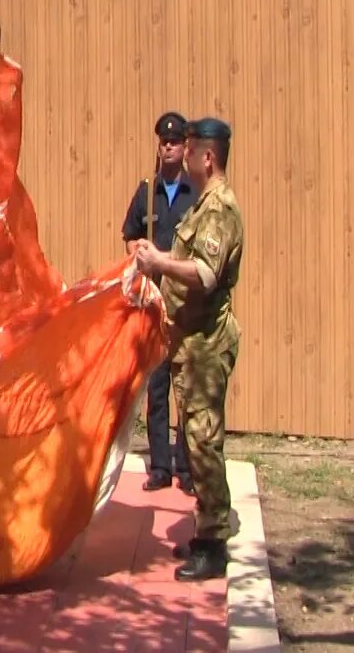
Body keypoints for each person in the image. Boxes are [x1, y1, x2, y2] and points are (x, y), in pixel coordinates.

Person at [132, 117, 244, 582]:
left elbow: (206, 273)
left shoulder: (219, 210)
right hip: (189, 344)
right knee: (195, 440)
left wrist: (160, 261)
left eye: (192, 148)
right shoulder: (202, 207)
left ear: (206, 157)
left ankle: (213, 544)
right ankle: (205, 531)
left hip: (205, 347)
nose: (187, 156)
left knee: (203, 441)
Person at [121, 111, 197, 494]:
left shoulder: (195, 193)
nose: (167, 146)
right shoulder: (146, 189)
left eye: (174, 142)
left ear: (185, 148)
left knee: (185, 389)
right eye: (163, 141)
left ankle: (185, 468)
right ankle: (160, 467)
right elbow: (130, 233)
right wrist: (139, 250)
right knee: (156, 388)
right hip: (154, 304)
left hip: (184, 305)